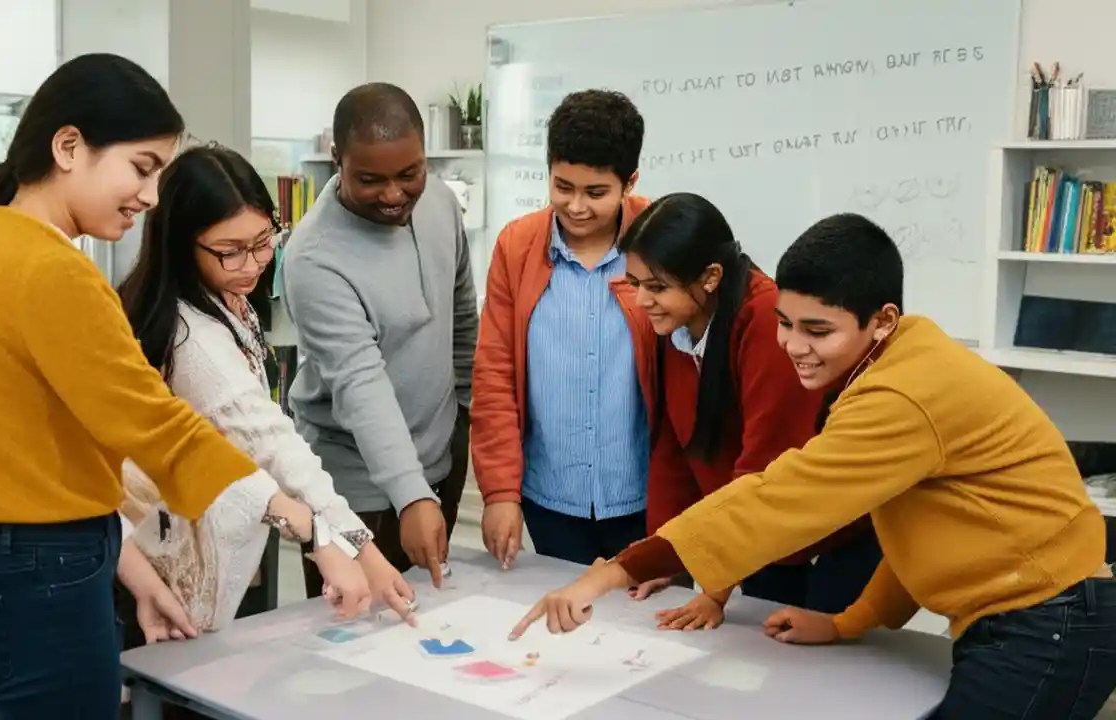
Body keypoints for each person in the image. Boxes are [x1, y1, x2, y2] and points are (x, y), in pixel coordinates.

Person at [510, 213, 1116, 719]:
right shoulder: (901, 357)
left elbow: (777, 498)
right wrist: (849, 622)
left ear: (881, 319)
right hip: (1030, 615)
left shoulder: (903, 394)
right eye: (785, 324)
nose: (794, 346)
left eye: (817, 330)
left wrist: (611, 572)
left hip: (1051, 621)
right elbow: (924, 528)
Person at [0, 54, 369, 719]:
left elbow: (54, 455)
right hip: (39, 579)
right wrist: (311, 528)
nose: (150, 197)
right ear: (68, 146)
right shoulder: (51, 273)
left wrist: (132, 573)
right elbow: (159, 429)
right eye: (141, 167)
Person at [117, 144, 417, 629]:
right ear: (179, 243)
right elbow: (271, 444)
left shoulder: (227, 299)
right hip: (166, 567)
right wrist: (357, 546)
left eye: (263, 241)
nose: (253, 264)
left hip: (213, 543)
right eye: (230, 251)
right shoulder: (190, 337)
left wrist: (352, 546)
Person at [619, 193, 879, 630]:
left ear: (710, 277)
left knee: (814, 676)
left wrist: (714, 589)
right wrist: (664, 554)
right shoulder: (675, 325)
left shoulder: (767, 323)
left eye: (657, 286)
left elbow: (765, 470)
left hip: (824, 541)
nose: (642, 301)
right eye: (634, 284)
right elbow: (673, 447)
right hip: (759, 541)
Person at [283, 82, 479, 593]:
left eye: (408, 174)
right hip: (354, 487)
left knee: (430, 630)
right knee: (353, 643)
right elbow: (359, 383)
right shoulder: (314, 258)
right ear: (336, 161)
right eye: (370, 179)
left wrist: (465, 412)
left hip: (440, 458)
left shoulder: (437, 201)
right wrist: (411, 495)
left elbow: (461, 314)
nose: (394, 196)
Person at [472, 89, 657, 570]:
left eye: (595, 193)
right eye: (562, 186)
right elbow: (495, 375)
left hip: (647, 498)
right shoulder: (517, 246)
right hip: (549, 498)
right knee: (564, 628)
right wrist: (499, 492)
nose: (575, 206)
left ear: (629, 181)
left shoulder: (659, 237)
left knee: (649, 633)